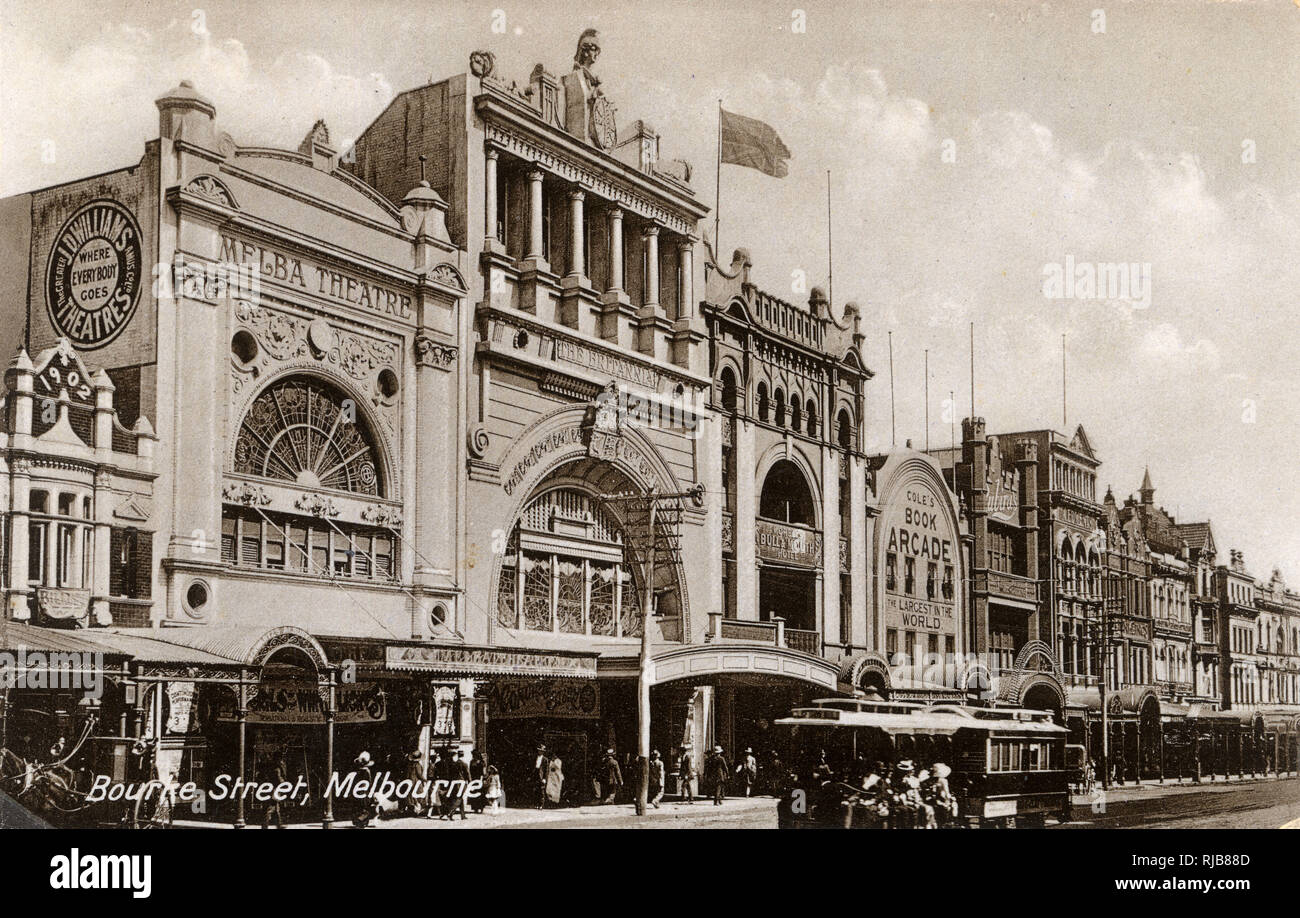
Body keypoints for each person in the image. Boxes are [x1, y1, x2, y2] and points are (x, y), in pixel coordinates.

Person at [261, 750, 289, 829]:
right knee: (271, 808)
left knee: (276, 808)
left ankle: (279, 825)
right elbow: (278, 778)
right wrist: (284, 782)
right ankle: (266, 826)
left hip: (271, 789)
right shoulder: (277, 767)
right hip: (274, 789)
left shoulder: (271, 765)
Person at [351, 751, 378, 828]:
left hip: (357, 790)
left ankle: (359, 821)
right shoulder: (367, 771)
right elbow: (369, 782)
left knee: (359, 806)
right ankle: (362, 821)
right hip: (365, 791)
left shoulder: (358, 771)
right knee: (365, 806)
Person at [442, 749, 470, 820]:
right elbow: (467, 774)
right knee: (459, 798)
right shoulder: (464, 764)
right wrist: (470, 782)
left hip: (454, 783)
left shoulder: (455, 764)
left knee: (460, 798)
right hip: (461, 783)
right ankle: (450, 812)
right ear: (463, 755)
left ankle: (463, 815)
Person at [469, 749, 487, 814]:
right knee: (474, 794)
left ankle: (481, 808)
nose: (473, 756)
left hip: (480, 779)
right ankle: (475, 808)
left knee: (480, 794)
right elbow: (470, 771)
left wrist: (483, 779)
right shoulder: (472, 762)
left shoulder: (482, 762)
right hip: (474, 780)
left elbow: (484, 772)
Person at [534, 744, 550, 809]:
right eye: (539, 750)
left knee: (541, 790)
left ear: (543, 752)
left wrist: (544, 778)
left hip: (541, 775)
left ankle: (541, 805)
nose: (540, 752)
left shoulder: (545, 760)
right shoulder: (535, 757)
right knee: (536, 790)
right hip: (536, 774)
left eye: (541, 751)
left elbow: (546, 770)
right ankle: (536, 804)